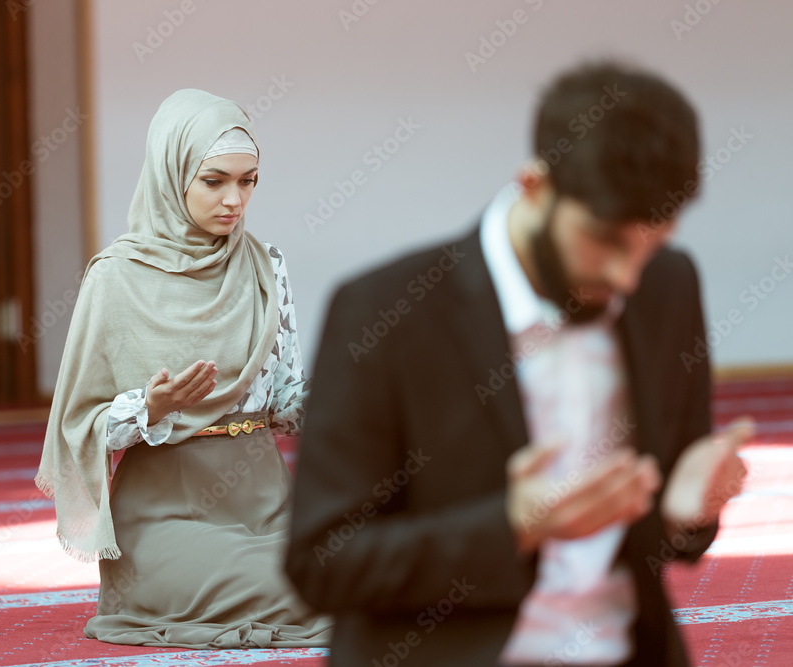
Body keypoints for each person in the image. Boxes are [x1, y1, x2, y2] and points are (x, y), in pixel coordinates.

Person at [284, 61, 753, 666]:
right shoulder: (386, 316)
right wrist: (511, 526)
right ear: (535, 185)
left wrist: (684, 515)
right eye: (606, 240)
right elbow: (321, 564)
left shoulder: (668, 286)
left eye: (651, 243)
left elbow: (659, 534)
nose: (625, 276)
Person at [36, 89, 331, 649]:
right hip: (167, 515)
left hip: (269, 503)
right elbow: (79, 428)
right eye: (214, 180)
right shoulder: (116, 278)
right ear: (172, 174)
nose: (234, 200)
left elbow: (286, 405)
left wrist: (350, 388)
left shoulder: (265, 267)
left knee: (377, 560)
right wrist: (151, 408)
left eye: (248, 182)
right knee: (314, 583)